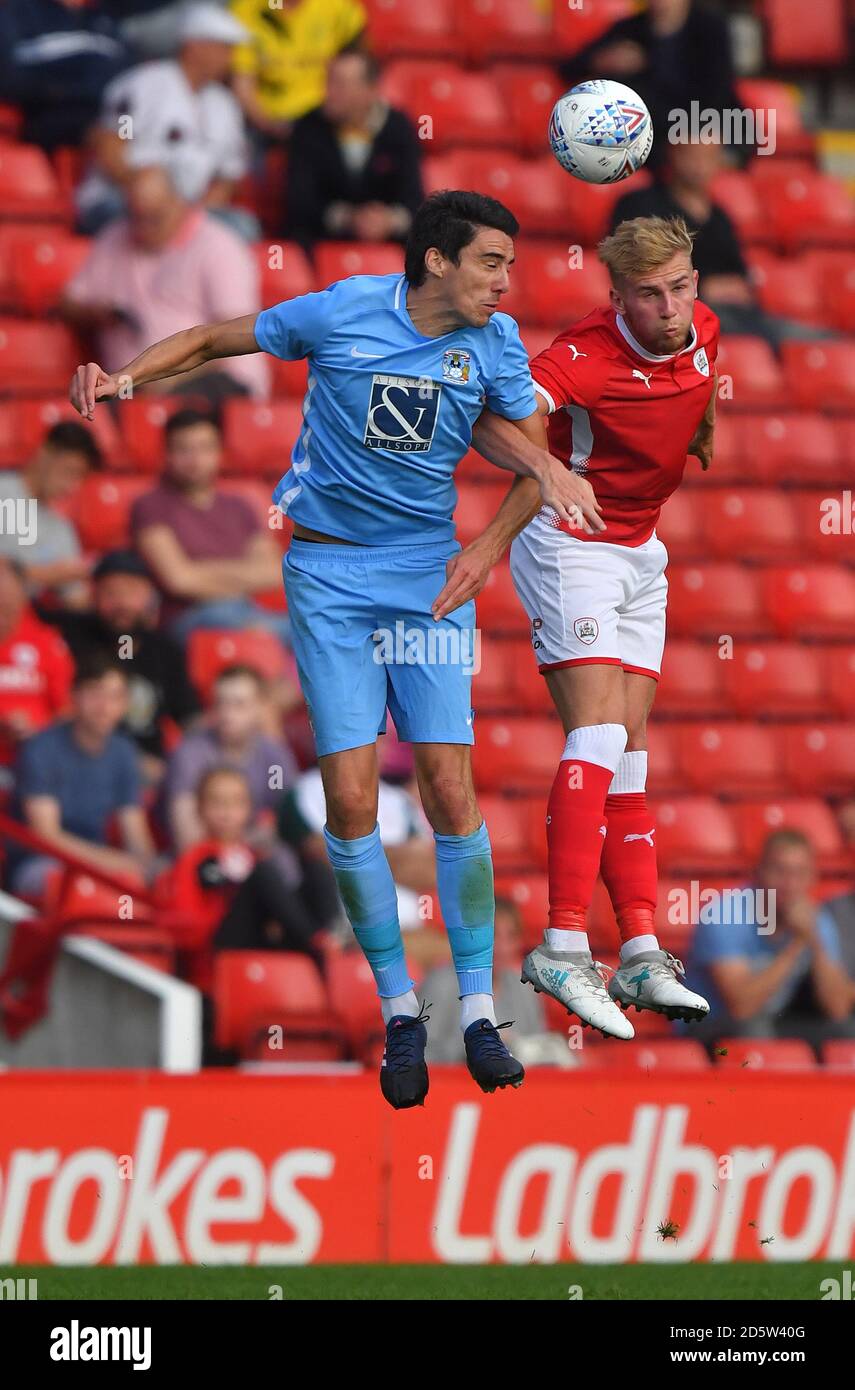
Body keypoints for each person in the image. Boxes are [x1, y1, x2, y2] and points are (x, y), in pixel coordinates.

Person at [68, 188, 602, 1108]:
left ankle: (475, 1010)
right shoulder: (339, 309)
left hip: (429, 577)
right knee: (351, 800)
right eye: (490, 263)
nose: (505, 282)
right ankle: (399, 1008)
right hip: (328, 578)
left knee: (447, 786)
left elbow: (528, 456)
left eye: (509, 266)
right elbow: (208, 341)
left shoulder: (495, 346)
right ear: (436, 259)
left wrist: (486, 546)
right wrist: (127, 379)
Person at [505, 215, 714, 1037]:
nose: (669, 307)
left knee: (629, 755)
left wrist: (699, 434)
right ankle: (560, 943)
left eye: (680, 286)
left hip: (640, 552)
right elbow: (503, 412)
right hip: (570, 542)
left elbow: (697, 382)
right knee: (592, 738)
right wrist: (546, 465)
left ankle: (637, 947)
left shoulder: (702, 330)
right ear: (615, 295)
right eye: (648, 294)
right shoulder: (579, 356)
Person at [61, 166, 269, 406]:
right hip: (132, 384)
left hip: (213, 378)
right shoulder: (115, 236)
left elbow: (237, 338)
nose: (143, 226)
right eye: (136, 216)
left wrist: (157, 379)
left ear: (180, 204)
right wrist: (98, 314)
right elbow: (68, 303)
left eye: (154, 217)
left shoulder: (220, 248)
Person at [610, 141, 836, 351]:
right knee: (747, 334)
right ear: (674, 155)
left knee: (816, 339)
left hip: (739, 312)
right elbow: (634, 262)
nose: (699, 165)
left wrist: (740, 287)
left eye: (708, 157)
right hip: (680, 309)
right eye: (692, 156)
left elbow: (741, 274)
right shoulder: (641, 203)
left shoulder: (720, 216)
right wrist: (703, 286)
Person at [77, 2, 251, 236]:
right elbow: (113, 145)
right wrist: (148, 194)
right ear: (195, 45)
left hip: (187, 211)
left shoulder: (225, 105)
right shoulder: (143, 85)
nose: (229, 58)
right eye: (223, 48)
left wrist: (194, 213)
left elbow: (226, 178)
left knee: (241, 227)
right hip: (124, 199)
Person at [685, 830, 855, 1049]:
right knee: (753, 1030)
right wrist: (796, 945)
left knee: (846, 1032)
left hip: (772, 1021)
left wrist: (815, 942)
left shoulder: (817, 920)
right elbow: (741, 1007)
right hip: (708, 1026)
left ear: (812, 878)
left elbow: (838, 1008)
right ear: (759, 873)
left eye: (799, 873)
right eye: (780, 871)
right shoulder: (724, 915)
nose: (790, 884)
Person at [41, 549, 201, 779]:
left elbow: (189, 717)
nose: (122, 603)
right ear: (93, 594)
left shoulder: (166, 650)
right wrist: (46, 575)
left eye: (132, 592)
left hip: (149, 771)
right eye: (111, 593)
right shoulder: (70, 631)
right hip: (79, 758)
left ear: (148, 596)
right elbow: (13, 605)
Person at [129, 409, 287, 642]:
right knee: (246, 628)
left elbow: (274, 572)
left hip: (247, 613)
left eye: (205, 448)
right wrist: (244, 576)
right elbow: (179, 580)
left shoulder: (240, 506)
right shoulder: (150, 506)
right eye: (184, 449)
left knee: (315, 630)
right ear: (167, 454)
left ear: (220, 453)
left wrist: (201, 571)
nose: (195, 460)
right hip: (187, 620)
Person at [8, 654, 156, 899]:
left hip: (95, 863)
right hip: (38, 863)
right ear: (74, 695)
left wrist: (148, 867)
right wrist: (113, 864)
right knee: (84, 889)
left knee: (156, 881)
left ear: (125, 704)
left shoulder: (124, 751)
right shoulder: (41, 748)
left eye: (115, 696)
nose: (104, 705)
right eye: (95, 693)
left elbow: (136, 834)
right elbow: (46, 836)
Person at [560, 0, 740, 169]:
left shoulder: (710, 30)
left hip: (696, 123)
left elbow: (718, 93)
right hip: (649, 133)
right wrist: (604, 61)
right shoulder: (629, 29)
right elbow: (570, 68)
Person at [285, 48, 424, 250]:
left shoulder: (399, 127)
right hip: (323, 244)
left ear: (370, 90)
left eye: (340, 84)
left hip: (388, 247)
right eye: (328, 81)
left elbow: (414, 199)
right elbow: (299, 202)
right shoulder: (307, 127)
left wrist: (389, 220)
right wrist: (349, 219)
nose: (329, 91)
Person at [164, 664, 298, 853]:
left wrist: (260, 838)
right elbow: (186, 838)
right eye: (220, 703)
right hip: (201, 860)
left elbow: (286, 817)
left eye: (239, 704)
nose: (227, 714)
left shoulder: (273, 758)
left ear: (260, 707)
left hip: (257, 855)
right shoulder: (190, 754)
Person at [420, 899, 551, 1064]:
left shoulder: (524, 989)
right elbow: (420, 1055)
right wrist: (474, 1048)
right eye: (493, 935)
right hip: (454, 1086)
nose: (503, 948)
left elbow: (541, 1053)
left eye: (511, 936)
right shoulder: (441, 984)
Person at [0, 0, 129, 151]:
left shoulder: (104, 18)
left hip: (113, 112)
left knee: (132, 126)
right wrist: (72, 91)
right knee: (113, 136)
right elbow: (9, 80)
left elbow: (131, 78)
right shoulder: (18, 13)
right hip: (53, 116)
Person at [229, 0, 366, 138]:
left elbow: (357, 65)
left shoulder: (336, 7)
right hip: (269, 118)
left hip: (323, 112)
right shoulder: (254, 8)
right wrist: (269, 125)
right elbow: (243, 83)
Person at [0, 421, 101, 605]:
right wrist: (47, 575)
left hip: (32, 624)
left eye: (81, 477)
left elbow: (76, 597)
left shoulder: (62, 528)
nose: (73, 487)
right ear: (45, 453)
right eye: (70, 471)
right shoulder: (3, 492)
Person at [0, 558, 74, 771]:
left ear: (22, 600)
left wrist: (38, 729)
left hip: (37, 758)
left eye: (7, 606)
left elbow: (66, 711)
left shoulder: (46, 642)